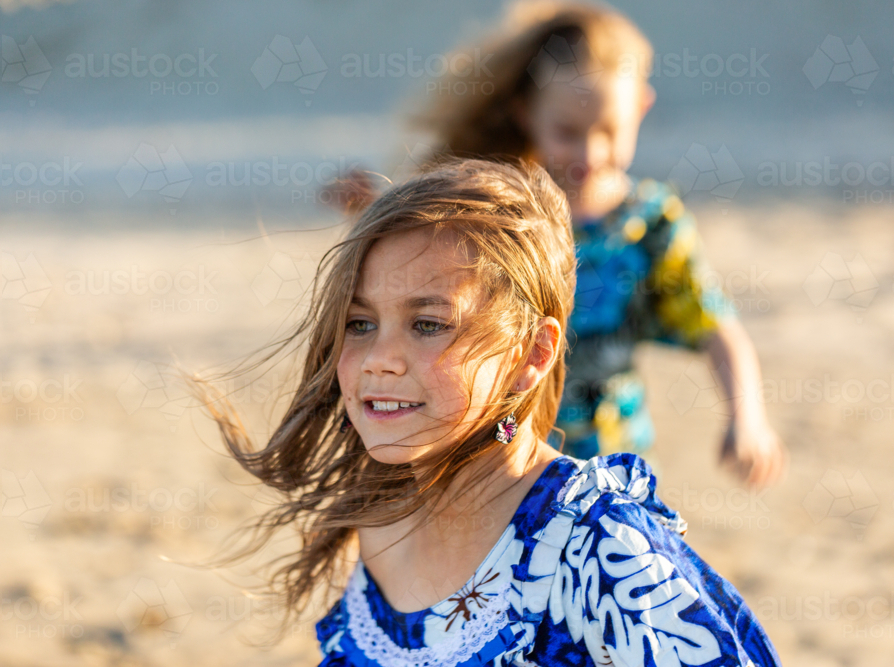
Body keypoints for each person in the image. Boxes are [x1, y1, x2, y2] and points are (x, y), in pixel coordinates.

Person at [208, 159, 781, 666]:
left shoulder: (595, 547)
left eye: (428, 324)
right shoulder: (382, 520)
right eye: (360, 324)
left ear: (532, 354)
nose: (378, 360)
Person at [411, 1, 787, 487]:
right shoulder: (504, 207)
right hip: (505, 444)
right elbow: (429, 264)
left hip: (610, 459)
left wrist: (747, 419)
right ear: (526, 112)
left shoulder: (649, 224)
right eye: (567, 132)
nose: (590, 153)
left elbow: (717, 327)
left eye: (609, 131)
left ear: (641, 109)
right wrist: (381, 206)